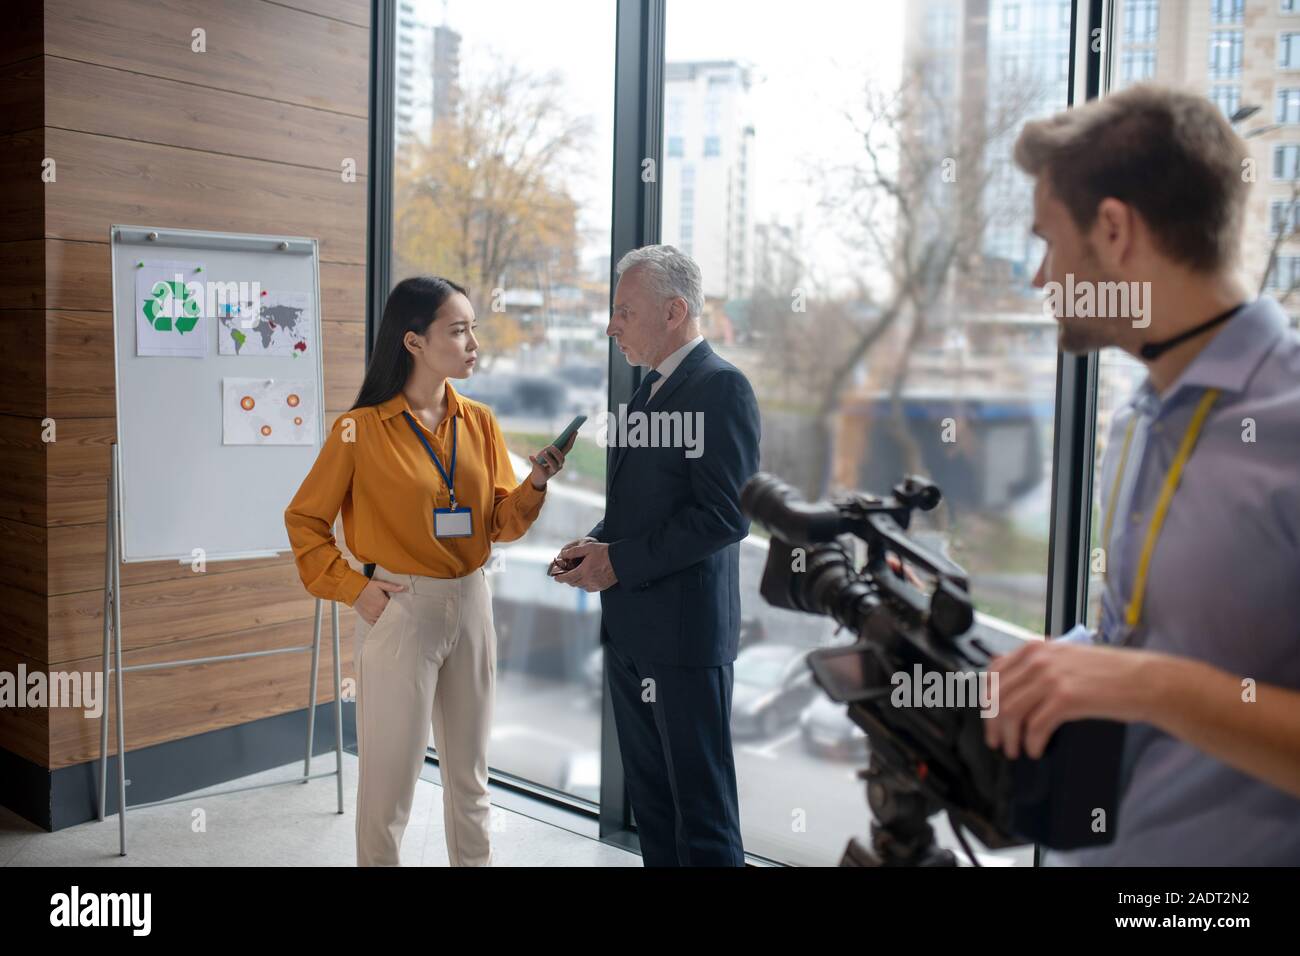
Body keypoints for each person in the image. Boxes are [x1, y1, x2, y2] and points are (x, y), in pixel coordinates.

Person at [983, 84, 1300, 865]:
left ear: (1115, 230)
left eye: (1048, 242)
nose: (1041, 278)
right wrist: (1045, 670)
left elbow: (1155, 675)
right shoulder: (1142, 414)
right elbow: (1152, 639)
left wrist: (1145, 685)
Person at [284, 276, 572, 866]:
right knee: (389, 788)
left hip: (472, 602)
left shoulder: (480, 421)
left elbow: (497, 521)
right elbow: (304, 521)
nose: (473, 343)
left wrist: (535, 483)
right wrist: (354, 589)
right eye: (458, 330)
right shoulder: (359, 430)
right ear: (413, 342)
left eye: (473, 329)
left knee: (470, 781)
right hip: (399, 609)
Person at [551, 245, 761, 866]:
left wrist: (617, 562)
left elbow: (726, 516)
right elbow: (646, 508)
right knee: (655, 808)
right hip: (632, 634)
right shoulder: (647, 393)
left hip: (685, 643)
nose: (611, 326)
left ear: (674, 311)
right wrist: (596, 543)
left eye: (624, 311)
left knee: (702, 815)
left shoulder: (722, 388)